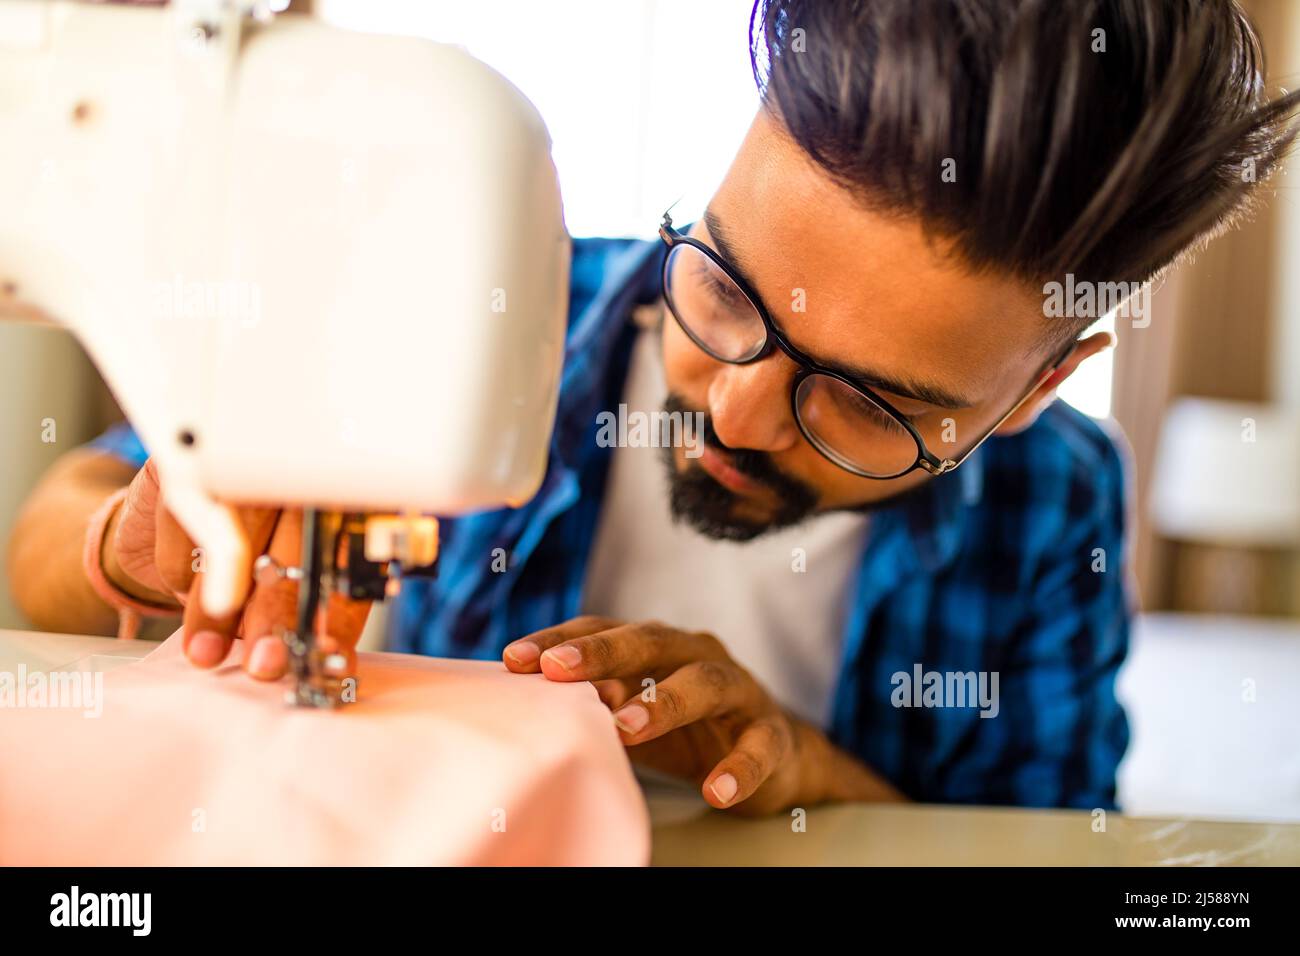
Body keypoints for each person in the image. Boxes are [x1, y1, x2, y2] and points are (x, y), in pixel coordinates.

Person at [9, 0, 1297, 815]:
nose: (737, 415)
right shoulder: (480, 304)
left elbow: (1048, 846)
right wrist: (130, 547)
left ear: (1038, 386)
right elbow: (50, 540)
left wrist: (799, 766)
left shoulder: (1059, 496)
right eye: (730, 287)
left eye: (867, 403)